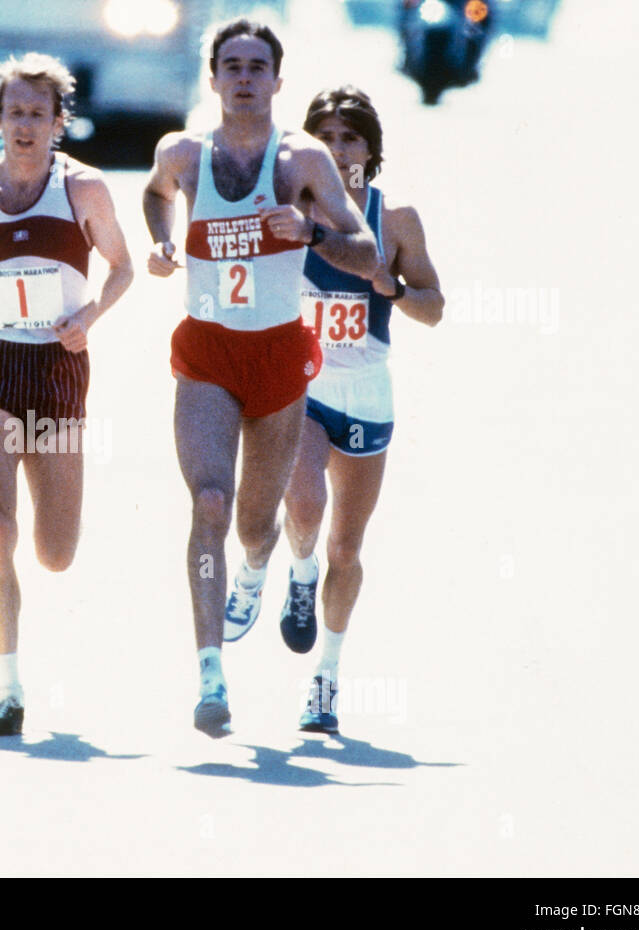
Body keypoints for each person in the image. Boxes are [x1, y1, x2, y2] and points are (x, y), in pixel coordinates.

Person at [143, 19, 379, 737]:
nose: (244, 78)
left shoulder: (303, 159)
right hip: (208, 352)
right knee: (209, 501)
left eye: (258, 67)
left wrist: (309, 234)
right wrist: (159, 239)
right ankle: (210, 669)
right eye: (232, 66)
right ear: (212, 78)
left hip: (278, 355)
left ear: (278, 81)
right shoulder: (182, 152)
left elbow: (366, 254)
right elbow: (156, 193)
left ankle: (253, 571)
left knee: (253, 523)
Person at [0, 53, 133, 735]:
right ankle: (7, 687)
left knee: (54, 551)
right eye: (15, 113)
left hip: (59, 370)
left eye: (39, 114)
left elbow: (123, 268)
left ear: (60, 122)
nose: (26, 125)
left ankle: (24, 637)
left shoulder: (85, 190)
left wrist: (87, 317)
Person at [259, 86, 443, 732]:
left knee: (348, 545)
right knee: (304, 501)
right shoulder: (285, 211)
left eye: (351, 139)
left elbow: (434, 307)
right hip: (303, 386)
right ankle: (298, 575)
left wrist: (391, 287)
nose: (338, 153)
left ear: (372, 150)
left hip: (366, 390)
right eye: (326, 139)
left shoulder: (394, 219)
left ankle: (325, 681)